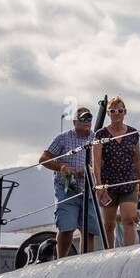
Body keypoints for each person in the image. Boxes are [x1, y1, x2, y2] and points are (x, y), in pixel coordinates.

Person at [39, 107, 102, 257]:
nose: (87, 122)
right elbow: (43, 159)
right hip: (67, 190)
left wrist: (89, 171)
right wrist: (62, 168)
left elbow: (102, 163)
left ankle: (85, 262)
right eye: (83, 118)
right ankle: (60, 260)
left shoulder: (95, 139)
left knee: (88, 231)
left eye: (89, 118)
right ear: (74, 121)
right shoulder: (63, 138)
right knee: (66, 228)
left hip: (88, 189)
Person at [92, 96, 140, 247]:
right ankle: (109, 255)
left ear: (125, 112)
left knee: (129, 219)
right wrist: (99, 185)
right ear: (108, 114)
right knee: (109, 225)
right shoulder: (100, 135)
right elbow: (95, 161)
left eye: (120, 110)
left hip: (129, 183)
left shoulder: (133, 133)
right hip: (108, 185)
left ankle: (127, 254)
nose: (117, 113)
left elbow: (137, 160)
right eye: (113, 110)